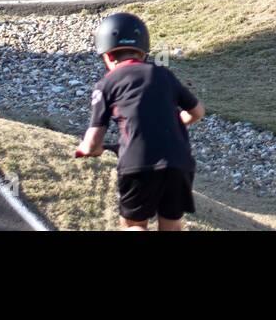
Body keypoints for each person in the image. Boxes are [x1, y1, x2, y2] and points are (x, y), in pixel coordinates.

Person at [75, 13, 205, 231]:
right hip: (179, 162)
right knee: (172, 225)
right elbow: (197, 112)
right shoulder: (164, 75)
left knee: (134, 226)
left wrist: (89, 149)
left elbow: (91, 144)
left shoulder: (107, 84)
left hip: (138, 163)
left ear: (107, 56)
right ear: (143, 52)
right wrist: (171, 123)